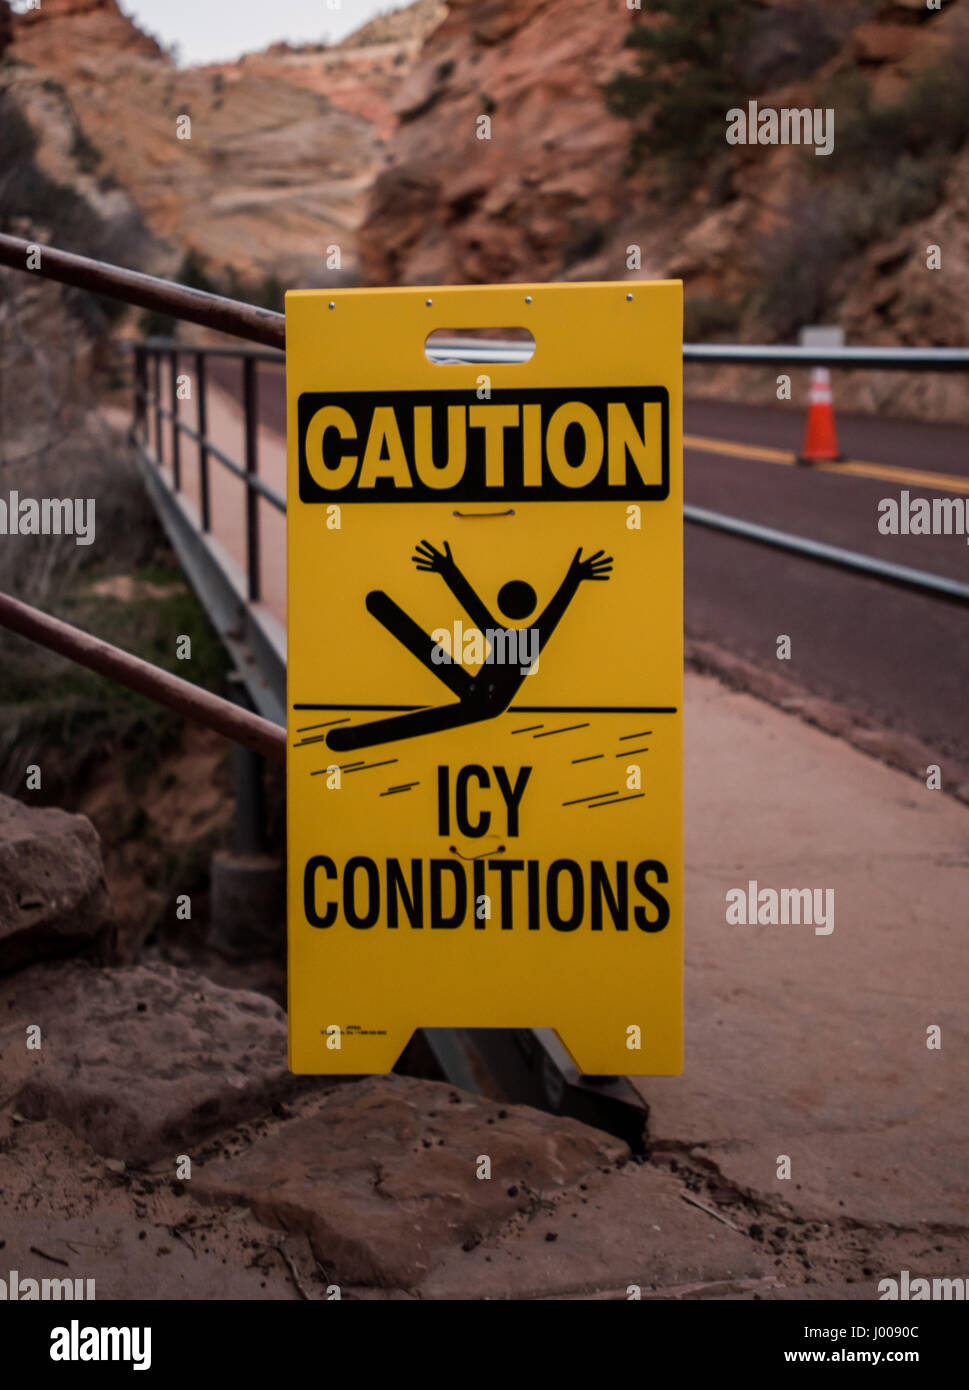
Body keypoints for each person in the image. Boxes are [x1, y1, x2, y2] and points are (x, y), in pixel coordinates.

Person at [327, 539, 612, 753]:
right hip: (477, 692)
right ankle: (355, 736)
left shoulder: (526, 641)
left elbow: (491, 611)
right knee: (437, 669)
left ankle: (356, 737)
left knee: (430, 707)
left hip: (486, 704)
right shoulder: (522, 640)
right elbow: (480, 610)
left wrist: (573, 579)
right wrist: (448, 571)